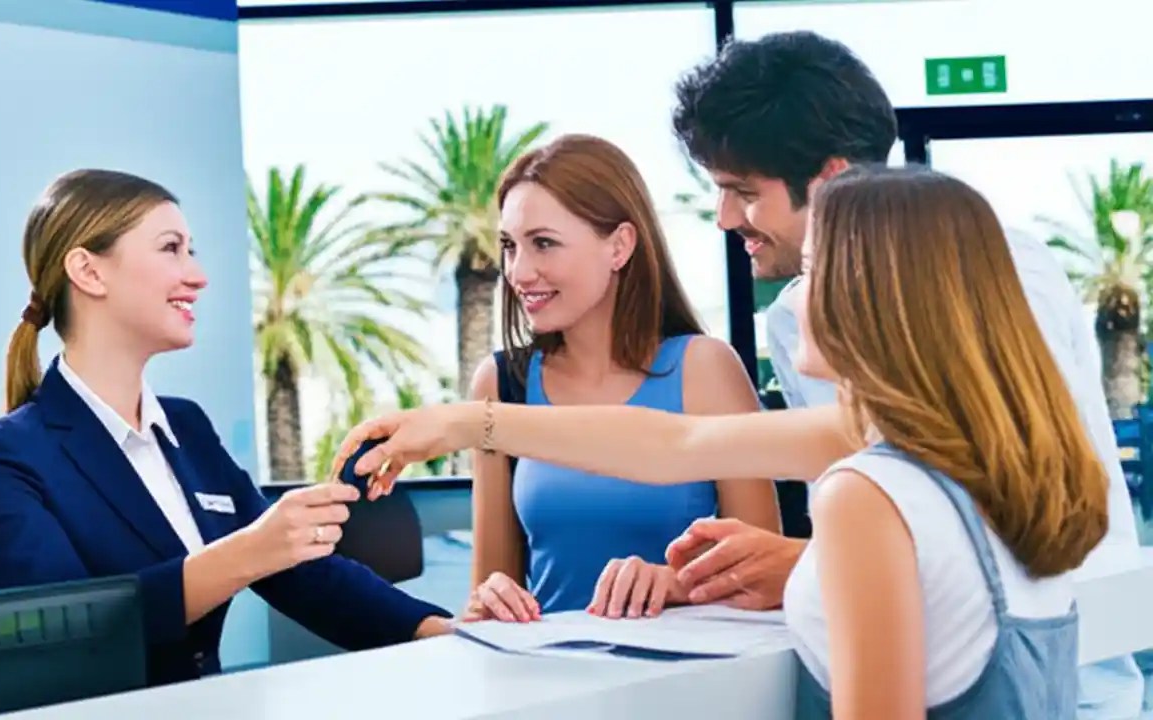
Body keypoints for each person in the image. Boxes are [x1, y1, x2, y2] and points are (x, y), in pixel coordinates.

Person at [334, 165, 1108, 716]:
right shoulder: (975, 457)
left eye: (812, 269)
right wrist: (470, 422)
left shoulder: (868, 494)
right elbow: (679, 443)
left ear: (871, 294)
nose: (793, 295)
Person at [668, 30, 1143, 714]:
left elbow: (1005, 501)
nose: (723, 218)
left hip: (1053, 683)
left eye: (743, 191)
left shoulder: (991, 266)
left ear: (828, 180)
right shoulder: (796, 320)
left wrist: (808, 563)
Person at [0, 169, 451, 687]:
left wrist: (443, 632)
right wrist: (249, 551)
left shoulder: (185, 426)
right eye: (171, 249)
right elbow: (65, 633)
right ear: (88, 272)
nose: (198, 276)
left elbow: (302, 573)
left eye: (192, 250)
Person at [462, 134, 780, 623]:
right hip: (549, 681)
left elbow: (767, 576)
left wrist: (673, 583)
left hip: (688, 681)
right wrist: (491, 601)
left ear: (620, 246)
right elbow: (487, 592)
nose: (519, 271)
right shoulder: (501, 383)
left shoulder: (704, 370)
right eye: (509, 246)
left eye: (543, 243)